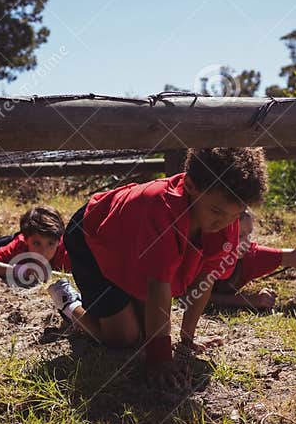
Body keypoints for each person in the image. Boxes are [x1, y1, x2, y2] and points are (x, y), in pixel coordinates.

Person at [47, 147, 267, 391]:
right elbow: (158, 285)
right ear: (191, 185)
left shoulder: (223, 220)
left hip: (134, 248)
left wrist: (187, 339)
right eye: (216, 212)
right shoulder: (160, 207)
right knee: (124, 339)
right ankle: (68, 301)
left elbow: (207, 278)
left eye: (232, 216)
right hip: (94, 235)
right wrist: (160, 358)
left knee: (145, 333)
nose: (222, 223)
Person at [0, 205, 71, 284]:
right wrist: (25, 271)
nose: (43, 251)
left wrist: (51, 274)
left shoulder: (66, 252)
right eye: (37, 243)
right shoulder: (20, 243)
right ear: (26, 240)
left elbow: (79, 276)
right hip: (13, 239)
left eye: (50, 244)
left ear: (58, 241)